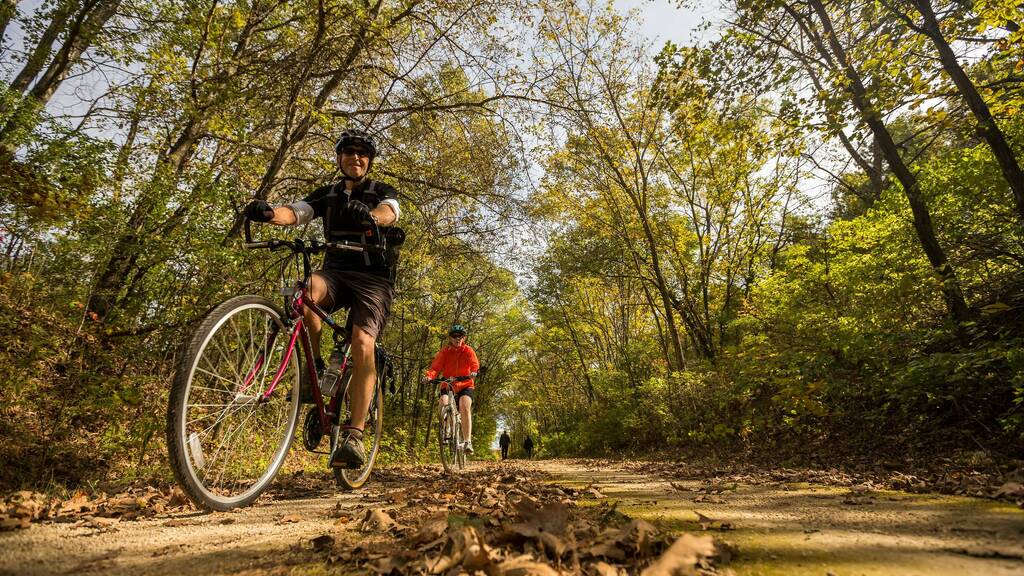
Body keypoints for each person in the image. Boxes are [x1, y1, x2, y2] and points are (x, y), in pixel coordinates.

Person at [244, 128, 401, 469]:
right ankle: (315, 371)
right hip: (335, 273)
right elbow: (296, 211)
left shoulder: (380, 191)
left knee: (362, 343)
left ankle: (355, 436)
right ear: (340, 158)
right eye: (348, 152)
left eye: (362, 153)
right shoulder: (327, 194)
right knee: (304, 292)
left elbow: (391, 211)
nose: (355, 158)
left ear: (369, 160)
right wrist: (269, 214)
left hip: (373, 280)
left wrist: (371, 217)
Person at [423, 324, 480, 453]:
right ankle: (446, 428)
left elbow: (474, 364)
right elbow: (435, 368)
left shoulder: (468, 351)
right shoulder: (444, 352)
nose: (457, 338)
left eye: (460, 336)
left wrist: (474, 371)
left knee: (464, 406)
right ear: (450, 338)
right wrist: (429, 377)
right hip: (448, 384)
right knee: (443, 402)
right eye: (454, 336)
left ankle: (467, 442)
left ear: (463, 338)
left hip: (465, 384)